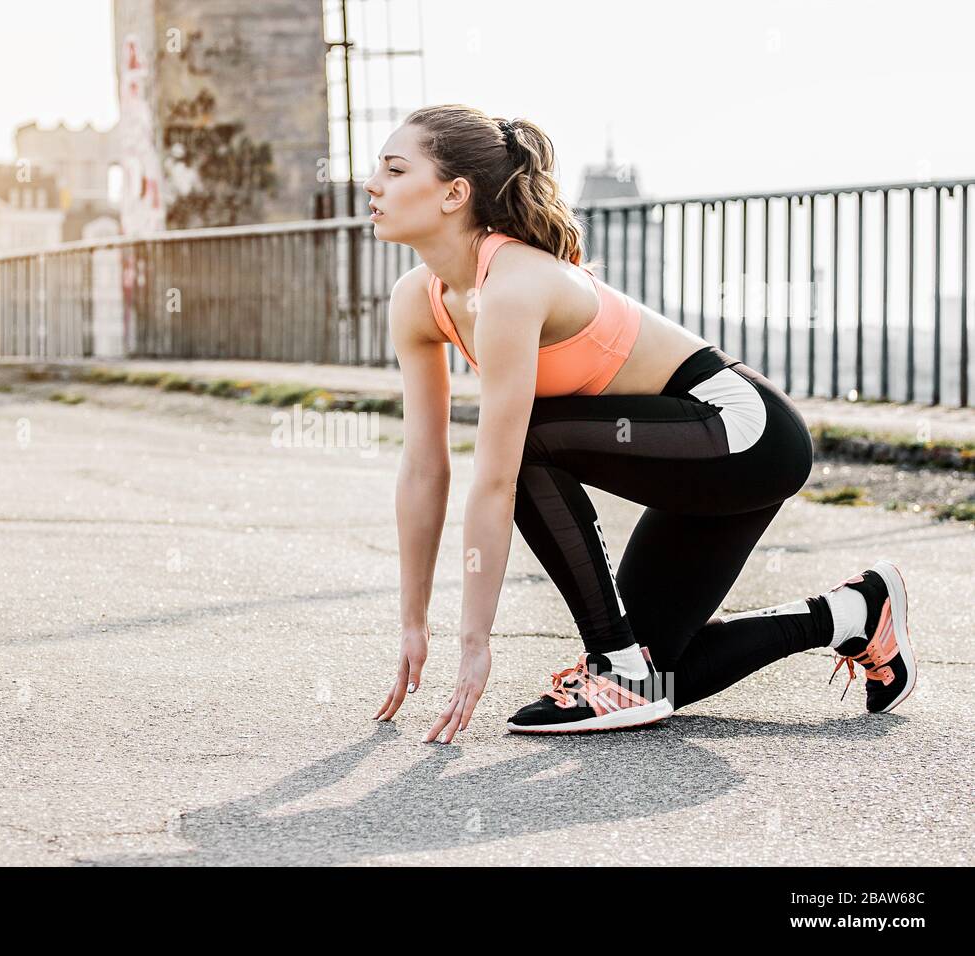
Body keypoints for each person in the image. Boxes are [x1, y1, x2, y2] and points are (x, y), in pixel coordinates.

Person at [366, 104, 917, 741]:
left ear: (454, 194)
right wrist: (413, 621)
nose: (372, 184)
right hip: (687, 461)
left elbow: (497, 478)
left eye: (395, 168)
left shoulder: (512, 285)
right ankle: (851, 612)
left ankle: (614, 667)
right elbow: (424, 468)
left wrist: (473, 643)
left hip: (745, 432)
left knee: (531, 442)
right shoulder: (417, 298)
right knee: (663, 677)